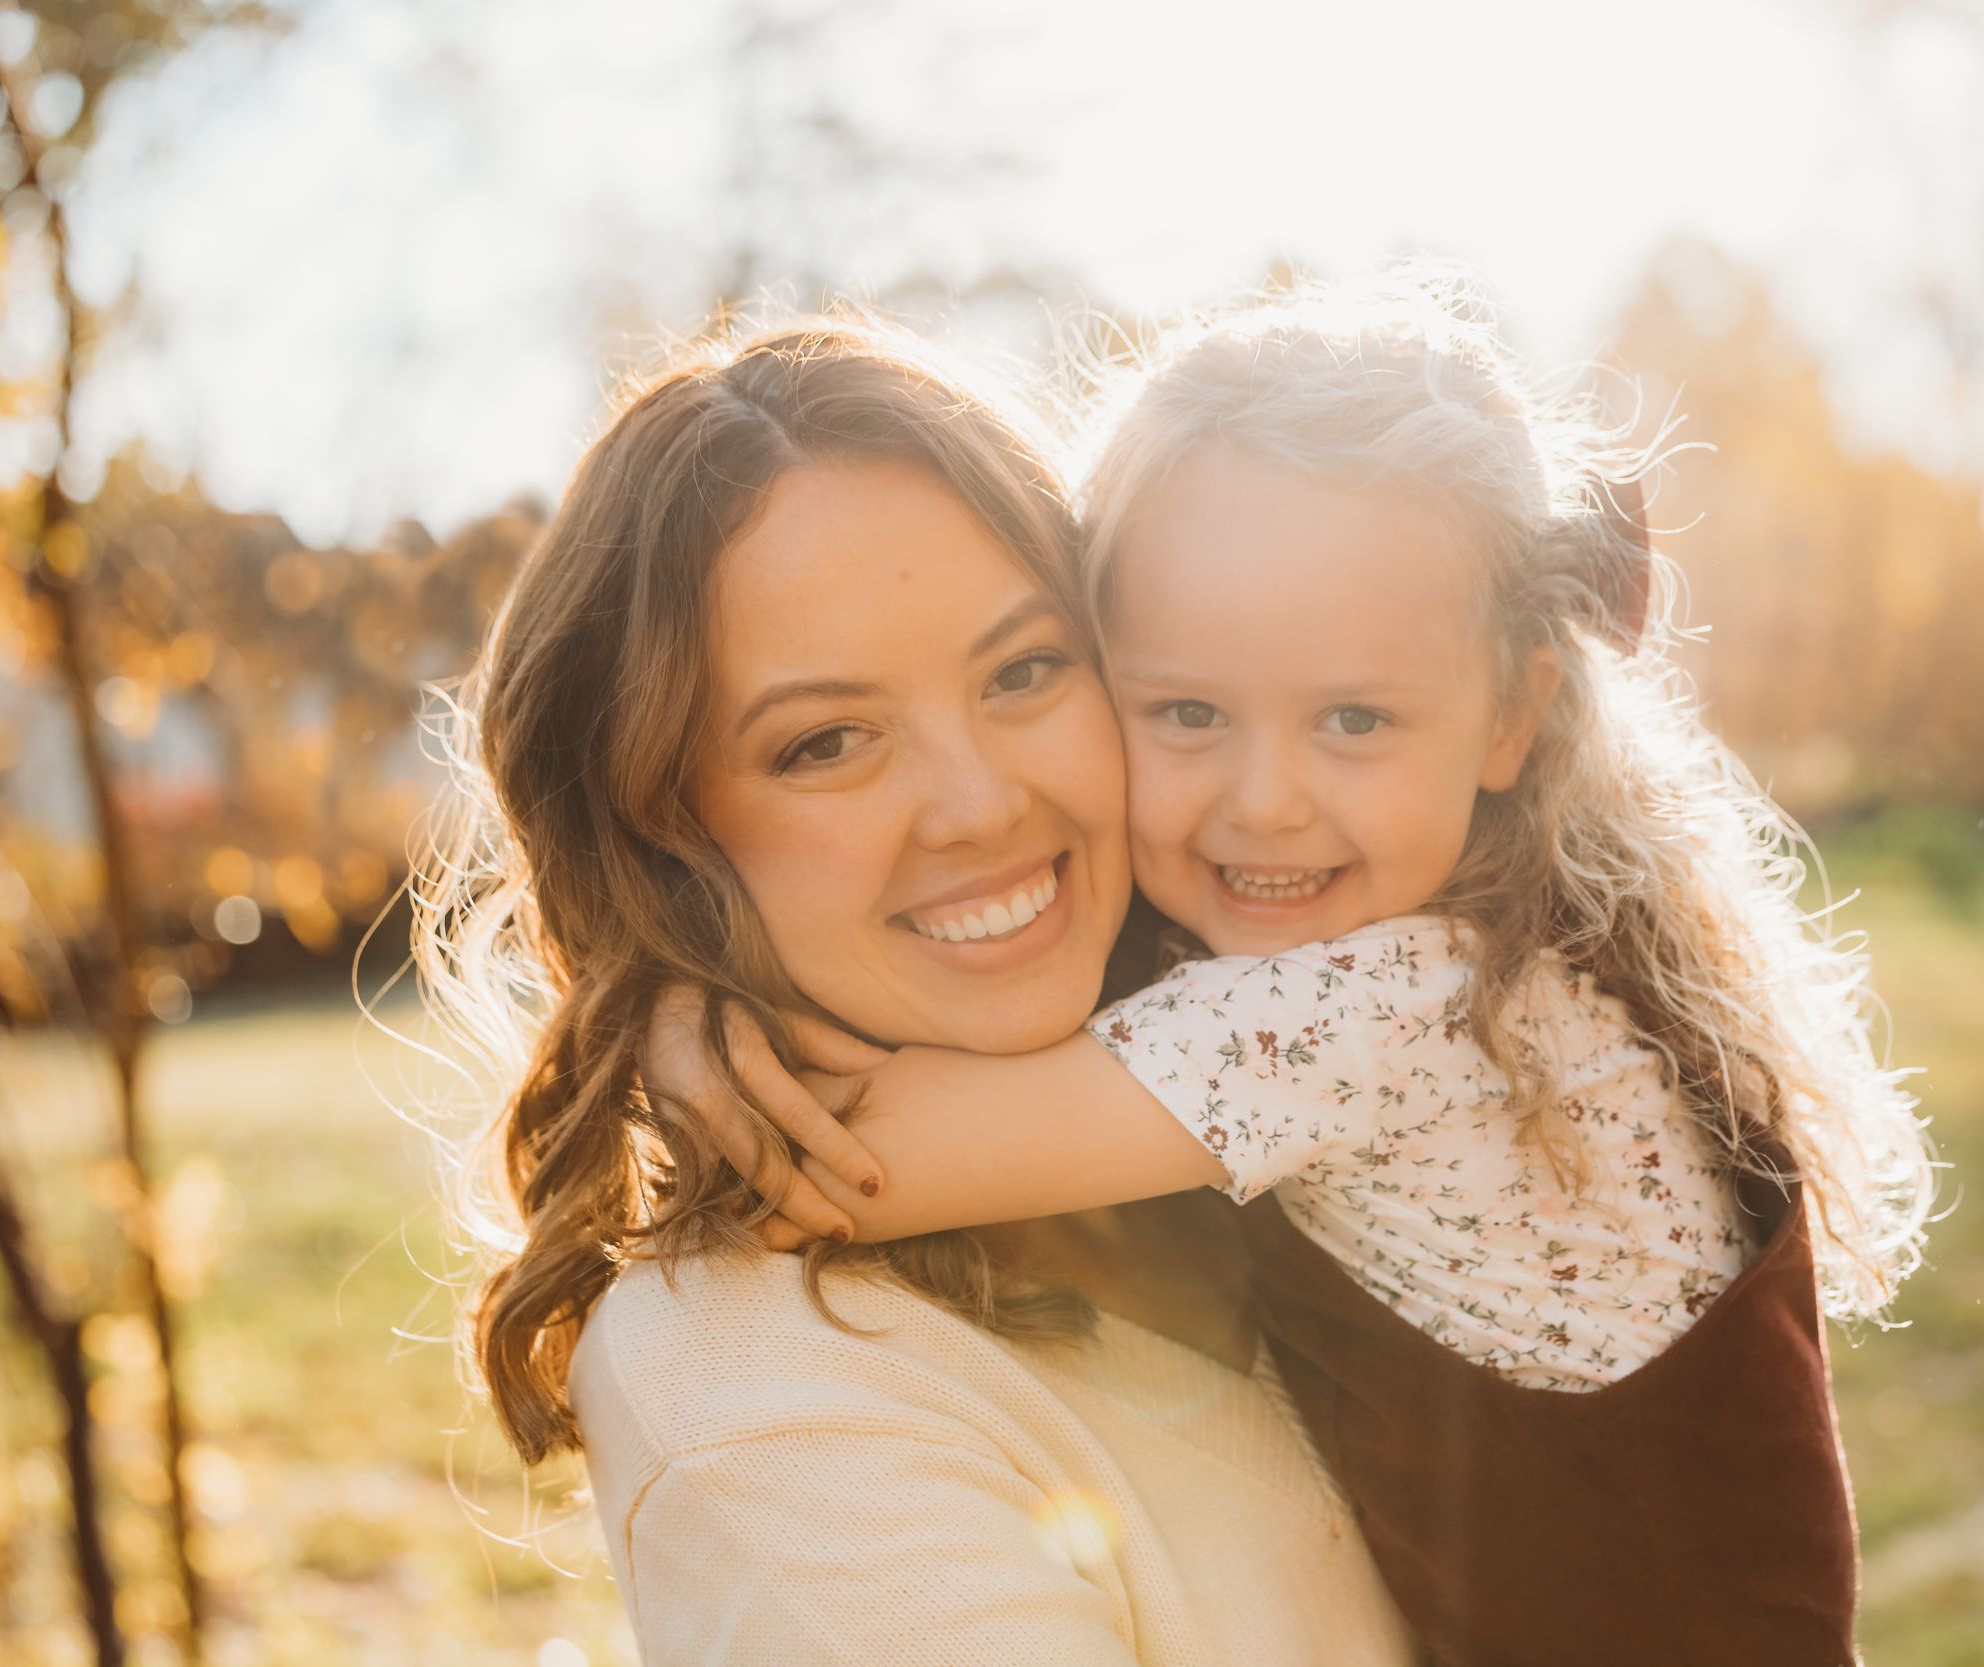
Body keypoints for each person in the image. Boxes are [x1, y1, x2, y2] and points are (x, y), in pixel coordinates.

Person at [667, 272, 1936, 1663]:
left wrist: (680, 1015)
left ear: (1510, 717)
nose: (1265, 801)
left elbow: (833, 1154)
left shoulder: (1381, 1013)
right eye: (1187, 711)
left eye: (1353, 720)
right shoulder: (1507, 939)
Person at [414, 315, 1419, 1665]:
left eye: (1024, 671)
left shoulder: (1289, 1053)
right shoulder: (761, 1396)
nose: (980, 803)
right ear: (660, 840)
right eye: (827, 742)